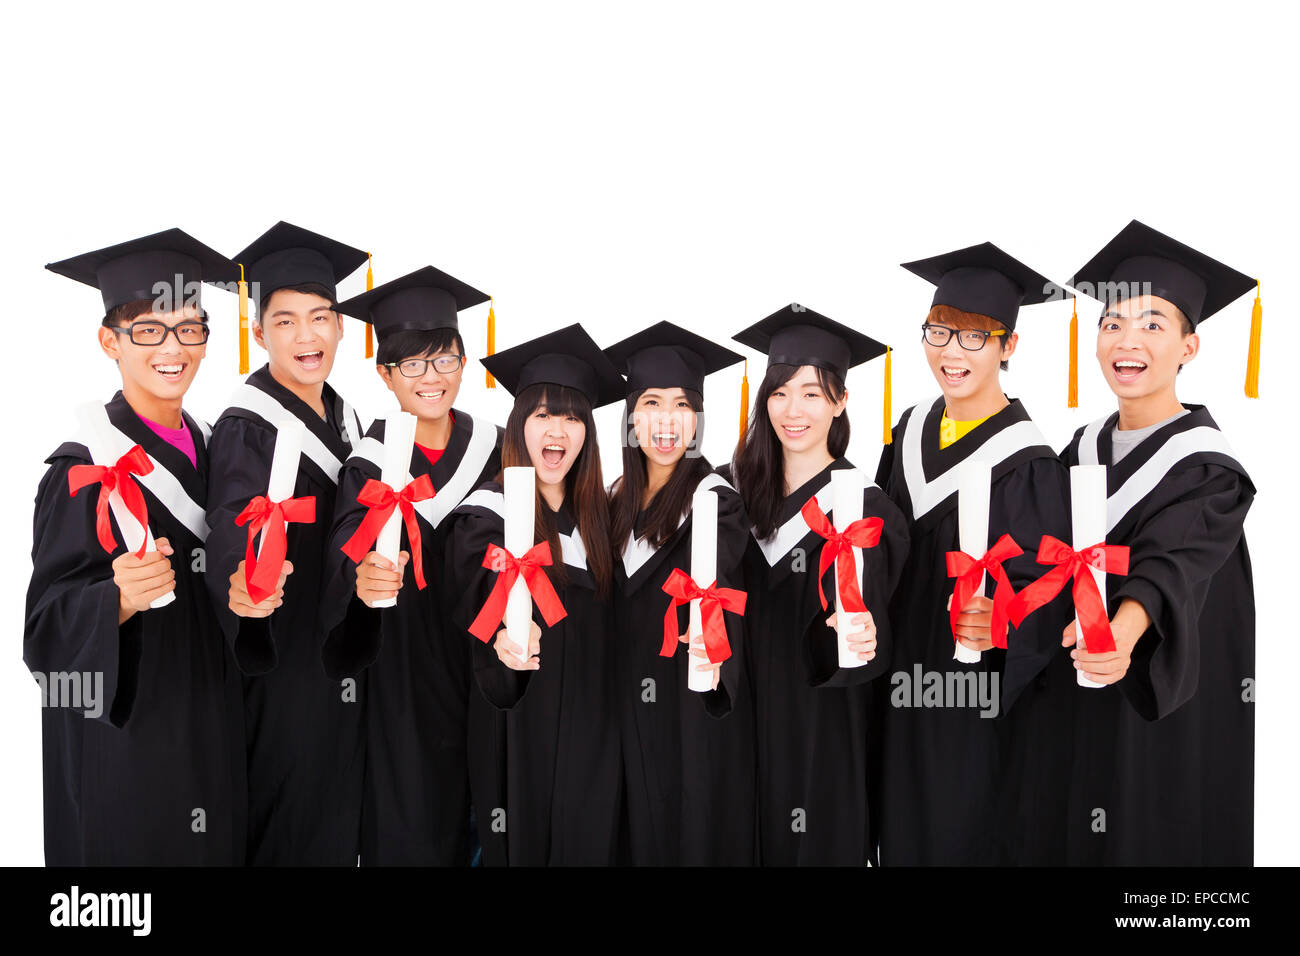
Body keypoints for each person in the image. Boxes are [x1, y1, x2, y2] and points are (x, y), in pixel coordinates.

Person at [1041, 219, 1256, 865]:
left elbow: (1174, 563)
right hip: (1075, 685)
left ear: (1190, 347)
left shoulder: (1208, 468)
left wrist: (1124, 630)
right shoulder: (1077, 451)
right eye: (1113, 324)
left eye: (1153, 325)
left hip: (1158, 697)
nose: (1127, 340)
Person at [28, 229, 245, 864]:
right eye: (149, 330)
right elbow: (44, 634)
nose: (172, 349)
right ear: (110, 341)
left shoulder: (219, 452)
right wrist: (114, 600)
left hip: (214, 731)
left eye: (190, 329)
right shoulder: (83, 469)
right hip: (133, 753)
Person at [872, 242, 1073, 865]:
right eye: (939, 331)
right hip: (893, 681)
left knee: (961, 829)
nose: (950, 352)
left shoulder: (1031, 462)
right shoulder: (909, 429)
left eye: (974, 338)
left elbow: (1054, 587)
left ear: (1009, 347)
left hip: (968, 697)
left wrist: (1008, 623)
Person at [204, 221, 371, 865]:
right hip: (285, 673)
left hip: (341, 662)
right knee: (291, 825)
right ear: (258, 333)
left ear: (339, 327)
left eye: (321, 317)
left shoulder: (349, 417)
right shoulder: (247, 425)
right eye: (286, 321)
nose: (307, 337)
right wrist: (241, 583)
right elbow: (229, 520)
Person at [323, 265, 503, 865]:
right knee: (413, 824)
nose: (433, 378)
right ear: (384, 373)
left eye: (446, 360)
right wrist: (361, 577)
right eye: (413, 365)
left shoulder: (500, 448)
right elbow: (345, 543)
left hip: (487, 669)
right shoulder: (369, 463)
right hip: (404, 682)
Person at [727, 304, 909, 865]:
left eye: (812, 393)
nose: (792, 410)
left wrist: (850, 630)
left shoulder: (868, 510)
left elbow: (871, 626)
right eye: (779, 392)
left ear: (840, 402)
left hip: (822, 728)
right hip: (739, 721)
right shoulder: (731, 497)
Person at [444, 324, 623, 865]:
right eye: (543, 414)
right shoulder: (484, 517)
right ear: (519, 424)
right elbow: (476, 599)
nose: (558, 430)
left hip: (597, 739)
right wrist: (502, 639)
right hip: (517, 732)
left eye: (572, 417)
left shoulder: (604, 525)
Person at [604, 320, 755, 865]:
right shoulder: (605, 503)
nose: (665, 421)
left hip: (686, 719)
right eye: (650, 403)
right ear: (629, 418)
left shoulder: (721, 506)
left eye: (681, 405)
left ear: (697, 419)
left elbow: (730, 603)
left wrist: (713, 645)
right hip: (615, 719)